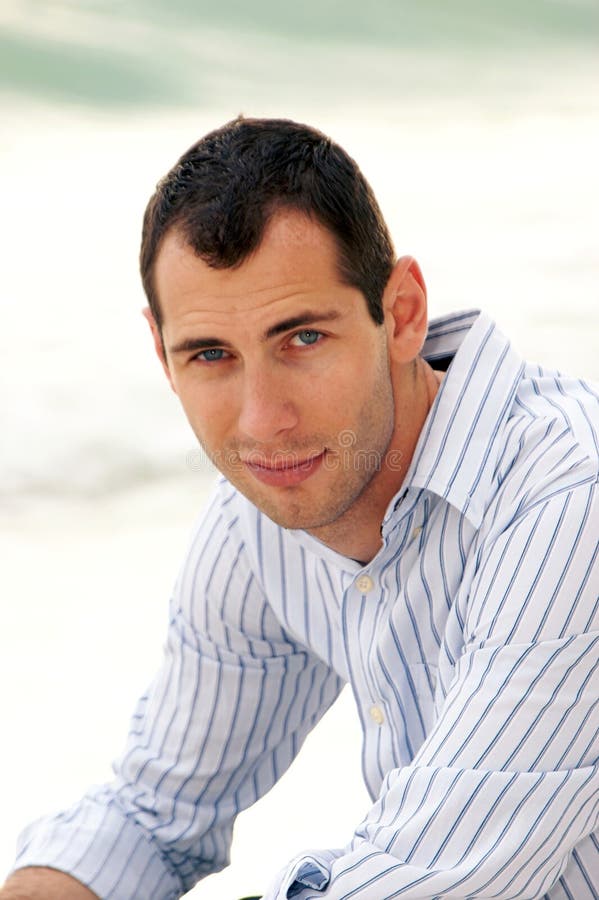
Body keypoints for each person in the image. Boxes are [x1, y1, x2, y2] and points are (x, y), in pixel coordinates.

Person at [2, 116, 597, 900]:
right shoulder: (260, 518)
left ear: (403, 312)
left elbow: (430, 884)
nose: (261, 422)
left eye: (302, 339)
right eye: (210, 355)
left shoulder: (564, 497)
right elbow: (153, 818)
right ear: (162, 354)